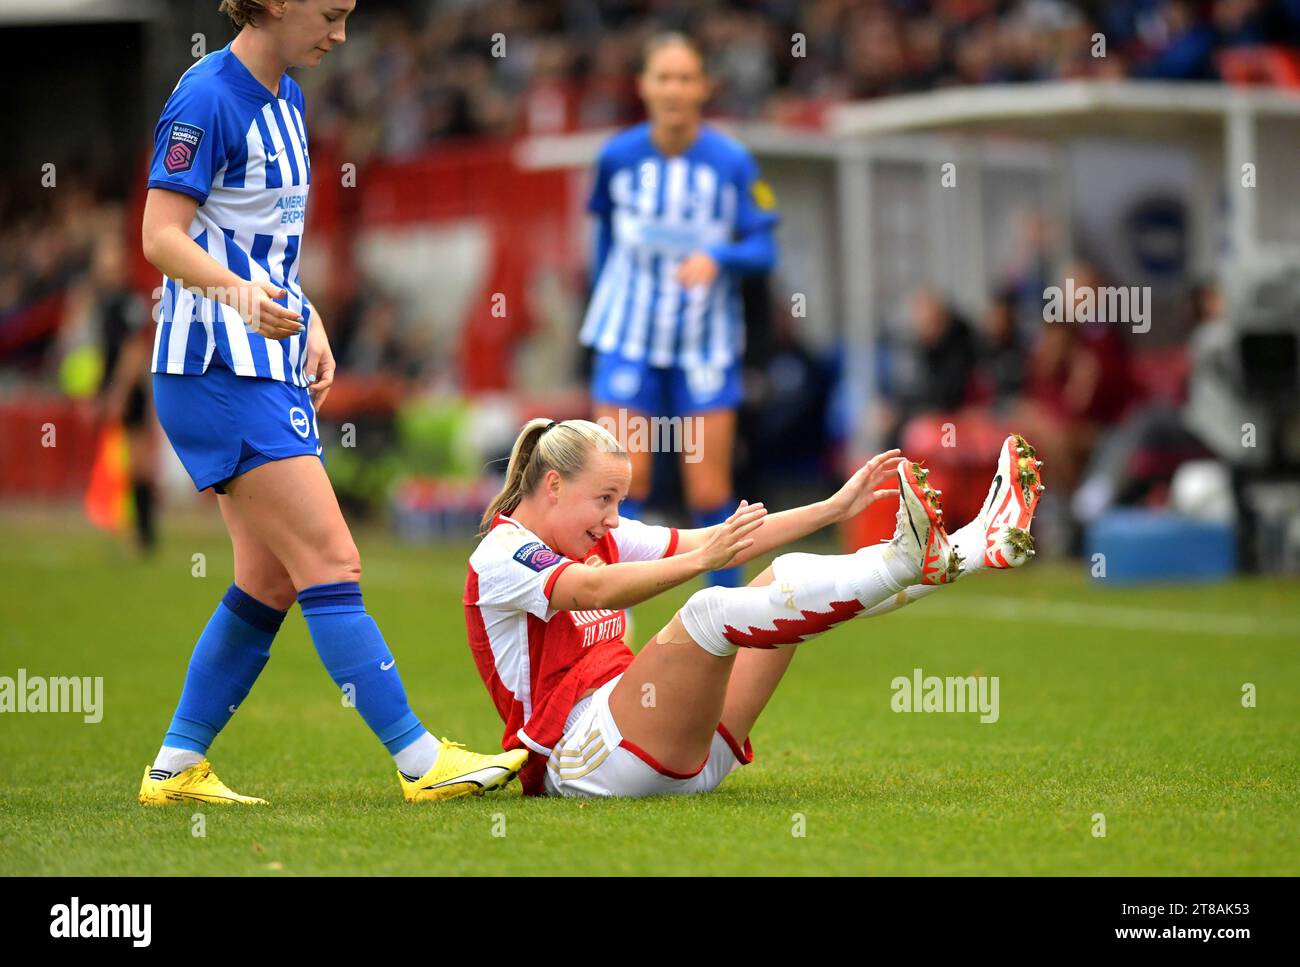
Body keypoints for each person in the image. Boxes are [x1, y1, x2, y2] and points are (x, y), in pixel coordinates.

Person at [137, 0, 525, 807]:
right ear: (274, 2)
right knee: (334, 561)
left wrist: (305, 314)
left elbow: (256, 238)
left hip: (262, 360)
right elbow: (160, 235)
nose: (343, 35)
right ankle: (420, 759)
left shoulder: (290, 96)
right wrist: (246, 298)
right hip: (215, 366)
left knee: (271, 581)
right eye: (331, 13)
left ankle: (175, 766)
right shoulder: (208, 96)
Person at [464, 419, 1044, 798]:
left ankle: (973, 547)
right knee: (710, 610)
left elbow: (722, 539)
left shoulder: (597, 533)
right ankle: (910, 560)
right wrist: (701, 561)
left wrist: (832, 509)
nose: (614, 517)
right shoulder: (503, 552)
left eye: (619, 500)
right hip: (584, 764)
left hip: (674, 749)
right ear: (555, 485)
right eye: (605, 499)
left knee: (782, 578)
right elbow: (590, 591)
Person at [580, 32, 779, 588]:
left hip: (705, 342)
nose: (674, 89)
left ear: (704, 88)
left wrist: (720, 256)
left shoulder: (732, 161)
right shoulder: (616, 158)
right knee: (619, 483)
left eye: (686, 78)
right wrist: (599, 310)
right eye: (663, 77)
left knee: (710, 490)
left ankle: (725, 627)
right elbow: (605, 244)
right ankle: (613, 632)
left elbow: (764, 250)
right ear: (644, 86)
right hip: (627, 338)